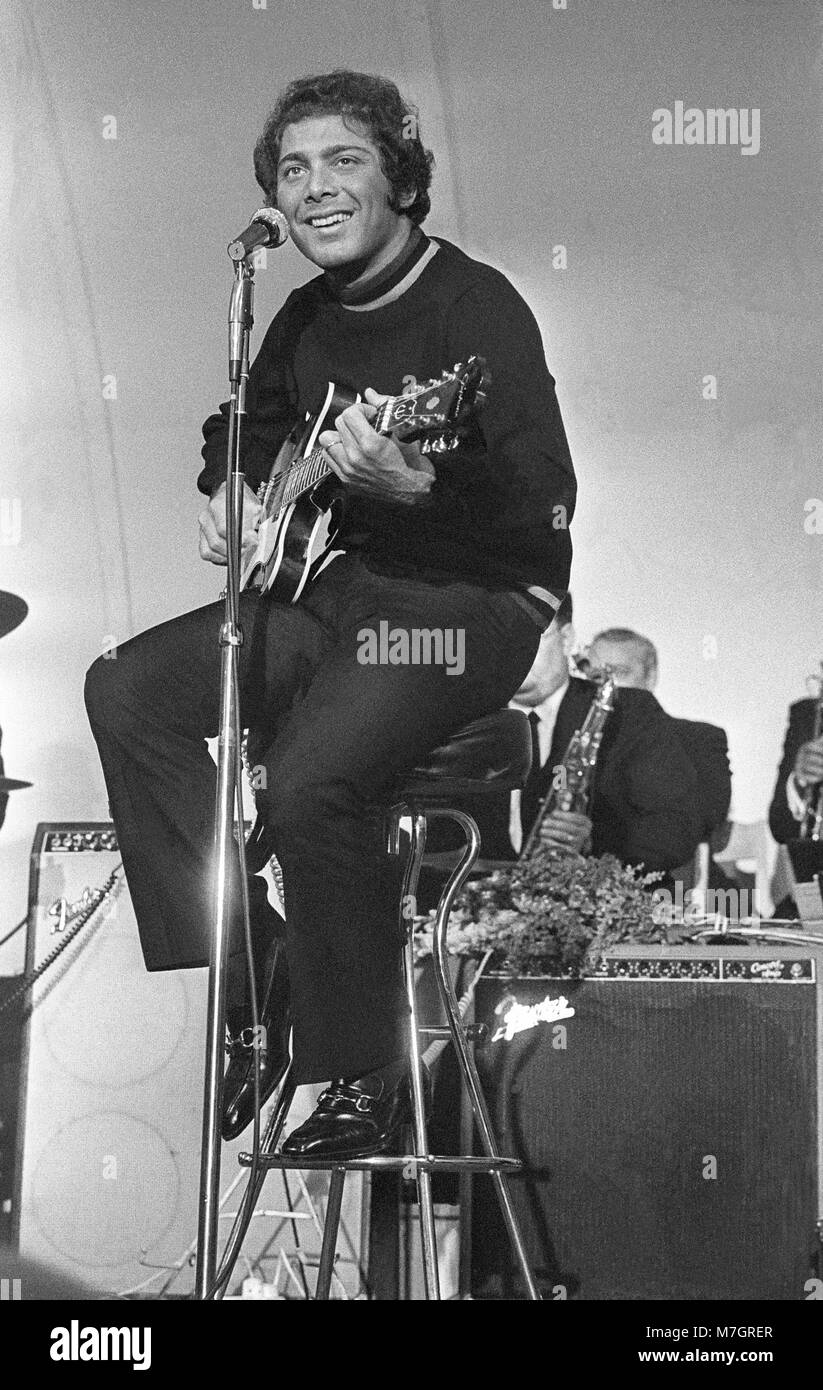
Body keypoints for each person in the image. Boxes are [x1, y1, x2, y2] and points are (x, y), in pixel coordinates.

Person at [84, 70, 576, 1158]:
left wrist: (422, 486)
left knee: (311, 778)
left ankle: (360, 1073)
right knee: (124, 688)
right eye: (293, 168)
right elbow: (245, 427)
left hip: (469, 604)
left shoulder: (473, 305)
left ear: (398, 177)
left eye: (342, 160)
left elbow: (545, 500)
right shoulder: (301, 314)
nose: (313, 188)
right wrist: (235, 485)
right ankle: (260, 977)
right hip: (333, 591)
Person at [425, 597, 701, 876]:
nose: (513, 653)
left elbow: (676, 827)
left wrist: (595, 846)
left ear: (567, 639)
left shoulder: (630, 713)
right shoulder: (461, 719)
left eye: (531, 636)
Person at [587, 626, 732, 852]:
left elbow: (706, 822)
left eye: (620, 673)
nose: (607, 686)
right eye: (596, 676)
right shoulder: (572, 736)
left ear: (651, 677)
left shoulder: (698, 739)